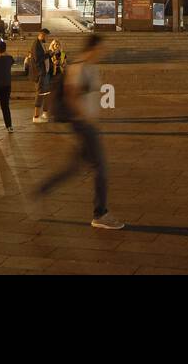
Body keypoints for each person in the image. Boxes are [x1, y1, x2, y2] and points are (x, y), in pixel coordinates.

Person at [38, 35, 123, 229]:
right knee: (101, 167)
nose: (103, 51)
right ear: (93, 48)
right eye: (101, 48)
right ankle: (100, 213)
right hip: (83, 125)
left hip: (88, 124)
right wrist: (85, 118)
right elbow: (71, 95)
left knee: (73, 169)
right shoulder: (79, 67)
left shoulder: (91, 67)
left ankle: (43, 190)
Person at [29, 29, 52, 123]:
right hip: (40, 73)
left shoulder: (41, 44)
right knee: (40, 94)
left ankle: (44, 113)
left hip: (44, 73)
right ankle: (36, 116)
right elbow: (38, 59)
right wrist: (48, 54)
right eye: (46, 36)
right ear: (42, 34)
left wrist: (48, 54)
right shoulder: (36, 44)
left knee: (45, 93)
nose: (47, 38)